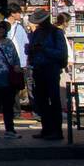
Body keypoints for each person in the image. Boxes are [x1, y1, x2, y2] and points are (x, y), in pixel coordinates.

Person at [27, 9, 69, 140]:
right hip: (38, 69)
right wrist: (31, 50)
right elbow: (32, 50)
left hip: (51, 69)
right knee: (41, 100)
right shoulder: (37, 33)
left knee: (54, 99)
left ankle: (57, 131)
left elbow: (61, 53)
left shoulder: (56, 32)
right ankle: (46, 129)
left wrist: (44, 49)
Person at [6, 7, 31, 112]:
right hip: (7, 61)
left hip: (20, 61)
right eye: (18, 13)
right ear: (12, 13)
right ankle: (12, 109)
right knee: (9, 86)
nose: (20, 15)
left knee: (18, 86)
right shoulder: (2, 26)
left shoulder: (19, 27)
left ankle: (17, 109)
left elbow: (26, 43)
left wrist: (25, 60)